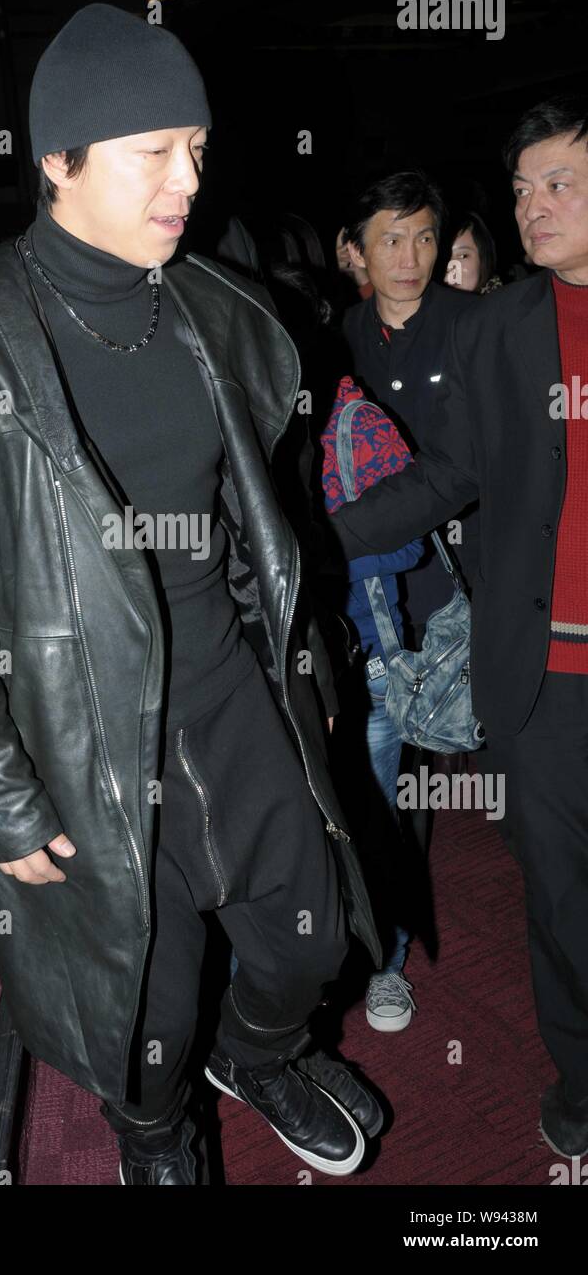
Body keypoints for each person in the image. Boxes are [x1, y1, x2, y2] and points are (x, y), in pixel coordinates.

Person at [0, 2, 384, 1186]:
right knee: (140, 999)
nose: (185, 179)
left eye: (197, 149)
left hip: (228, 690)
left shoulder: (214, 306)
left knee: (309, 934)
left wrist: (292, 666)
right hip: (83, 730)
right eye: (150, 151)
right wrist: (1, 801)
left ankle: (255, 1056)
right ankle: (152, 1132)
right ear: (56, 160)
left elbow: (256, 520)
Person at [329, 95, 588, 1161]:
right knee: (561, 902)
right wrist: (310, 537)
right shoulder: (503, 328)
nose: (531, 205)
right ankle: (580, 1088)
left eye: (558, 183)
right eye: (520, 187)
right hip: (544, 679)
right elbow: (445, 474)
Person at [321, 375, 424, 1031]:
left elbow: (410, 540)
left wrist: (309, 558)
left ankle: (386, 964)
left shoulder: (359, 425)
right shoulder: (224, 422)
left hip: (366, 667)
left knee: (373, 824)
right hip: (265, 673)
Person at [341, 171, 478, 620]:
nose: (410, 260)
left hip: (473, 573)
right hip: (377, 587)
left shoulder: (477, 325)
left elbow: (462, 469)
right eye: (392, 242)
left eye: (424, 240)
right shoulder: (337, 339)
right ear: (357, 250)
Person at [444, 212, 503, 294]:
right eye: (443, 257)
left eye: (463, 256)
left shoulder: (504, 304)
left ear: (483, 259)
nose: (450, 267)